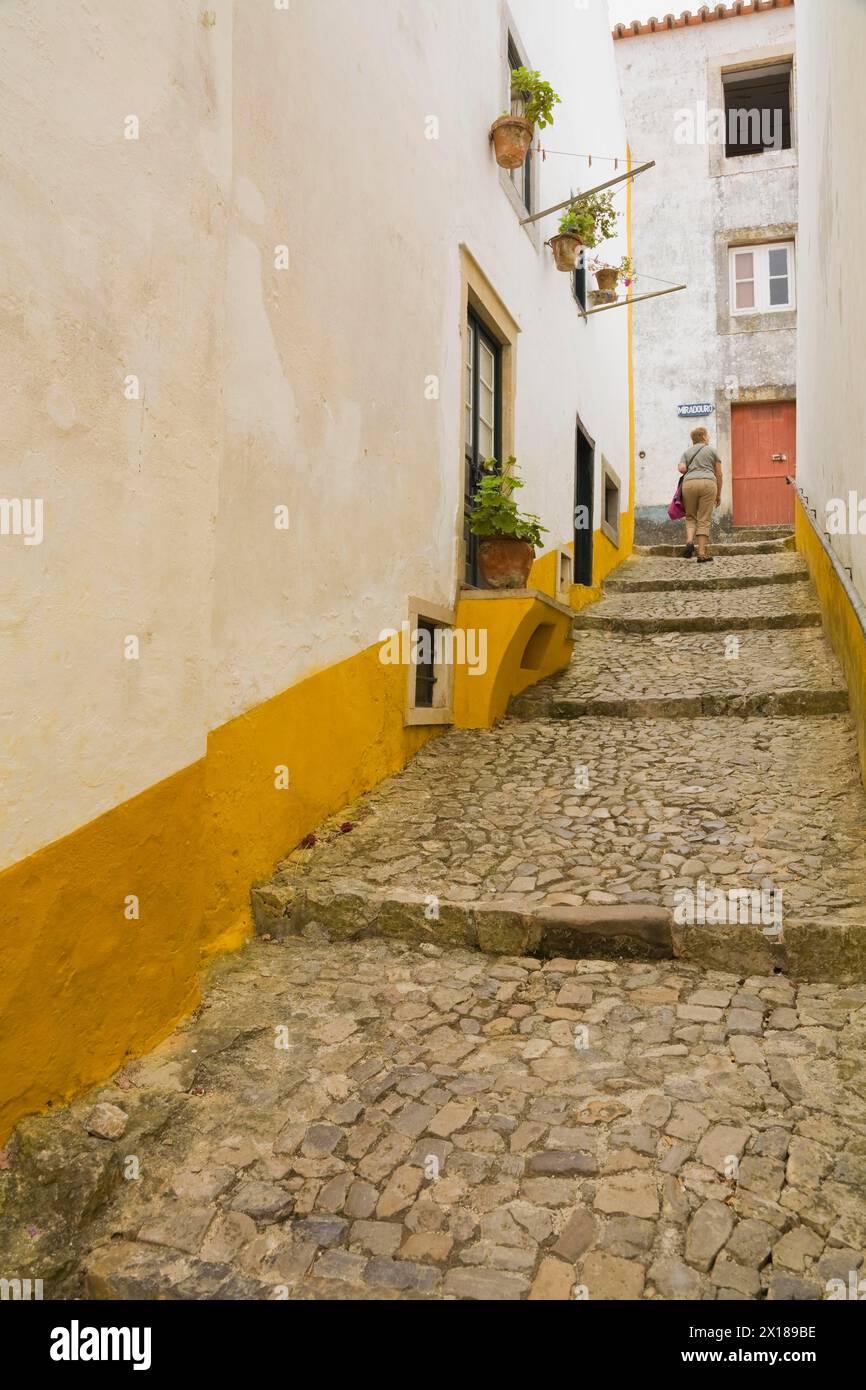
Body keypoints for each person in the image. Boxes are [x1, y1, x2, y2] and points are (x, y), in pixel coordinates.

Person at [678, 426, 723, 562]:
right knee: (704, 518)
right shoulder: (713, 451)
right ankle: (701, 553)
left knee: (691, 516)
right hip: (708, 483)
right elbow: (719, 474)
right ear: (703, 437)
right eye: (707, 435)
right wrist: (718, 494)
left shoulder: (686, 453)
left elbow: (681, 468)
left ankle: (690, 542)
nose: (708, 437)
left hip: (689, 484)